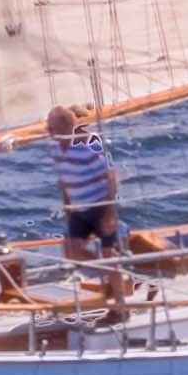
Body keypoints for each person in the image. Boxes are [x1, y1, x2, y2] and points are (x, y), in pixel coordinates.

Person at [47, 105, 121, 264]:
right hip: (79, 211)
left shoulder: (85, 151)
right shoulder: (55, 150)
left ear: (64, 128)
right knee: (71, 252)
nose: (47, 131)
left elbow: (112, 178)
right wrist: (68, 209)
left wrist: (109, 215)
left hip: (100, 208)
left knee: (108, 254)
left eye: (51, 128)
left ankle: (113, 271)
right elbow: (64, 180)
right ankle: (104, 268)